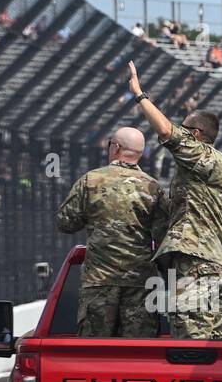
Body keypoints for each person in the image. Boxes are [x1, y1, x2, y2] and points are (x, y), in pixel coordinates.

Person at [127, 60, 222, 339]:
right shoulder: (209, 172)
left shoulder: (207, 158)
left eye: (186, 129)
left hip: (199, 265)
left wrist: (140, 95)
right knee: (211, 344)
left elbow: (167, 132)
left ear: (197, 135)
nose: (181, 132)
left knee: (192, 342)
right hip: (209, 265)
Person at [56, 126, 169, 338]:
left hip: (99, 282)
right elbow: (164, 236)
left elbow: (65, 223)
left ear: (115, 147)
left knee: (93, 351)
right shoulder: (153, 187)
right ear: (140, 153)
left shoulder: (91, 181)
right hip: (139, 285)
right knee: (139, 355)